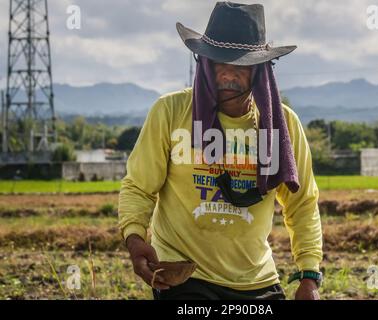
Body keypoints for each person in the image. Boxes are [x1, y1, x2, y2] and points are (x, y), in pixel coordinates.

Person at [118, 1, 323, 300]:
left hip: (257, 280)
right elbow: (138, 186)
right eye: (218, 63)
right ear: (204, 64)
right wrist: (135, 239)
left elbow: (302, 203)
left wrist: (309, 275)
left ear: (260, 71)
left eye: (240, 65)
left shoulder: (283, 126)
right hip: (186, 276)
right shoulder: (171, 112)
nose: (228, 74)